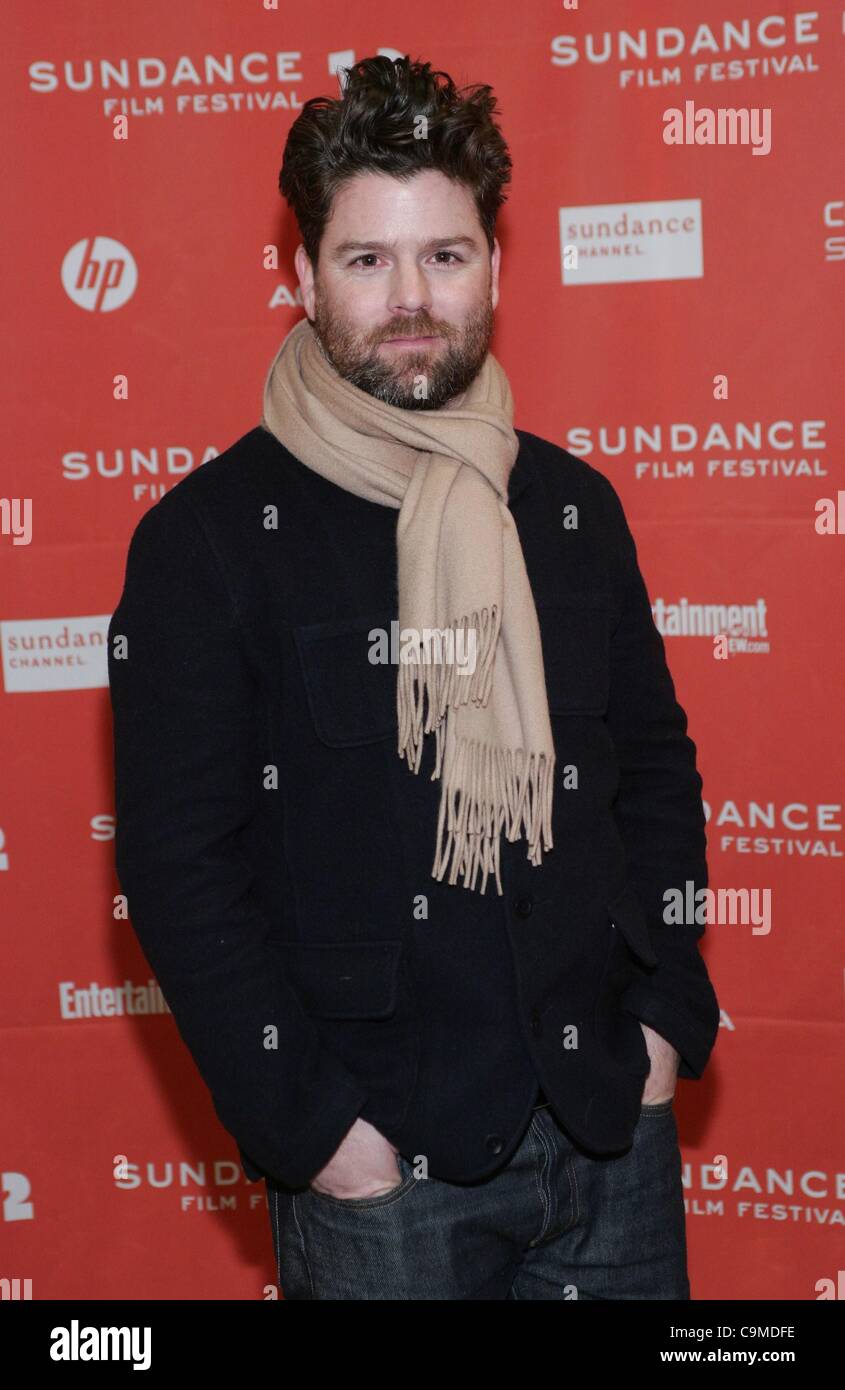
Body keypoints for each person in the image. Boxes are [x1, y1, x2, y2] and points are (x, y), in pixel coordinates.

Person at [107, 55, 720, 1300]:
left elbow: (649, 768)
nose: (409, 299)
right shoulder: (211, 541)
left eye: (443, 255)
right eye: (366, 258)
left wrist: (661, 1022)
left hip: (609, 1136)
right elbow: (180, 865)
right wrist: (324, 1139)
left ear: (493, 266)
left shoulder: (565, 509)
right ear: (298, 276)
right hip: (382, 1181)